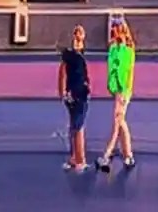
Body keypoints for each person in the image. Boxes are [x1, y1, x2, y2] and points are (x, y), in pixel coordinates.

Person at [96, 21, 136, 172]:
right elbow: (111, 68)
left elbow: (129, 73)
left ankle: (107, 154)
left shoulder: (129, 51)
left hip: (124, 91)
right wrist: (112, 87)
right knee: (120, 122)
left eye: (116, 31)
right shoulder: (113, 49)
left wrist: (125, 92)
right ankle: (128, 156)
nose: (114, 35)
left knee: (117, 121)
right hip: (117, 90)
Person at [57, 25, 91, 171]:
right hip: (78, 94)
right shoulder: (73, 56)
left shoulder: (75, 55)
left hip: (75, 93)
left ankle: (74, 157)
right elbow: (63, 74)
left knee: (75, 126)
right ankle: (80, 159)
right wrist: (63, 92)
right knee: (78, 128)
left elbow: (63, 74)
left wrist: (63, 93)